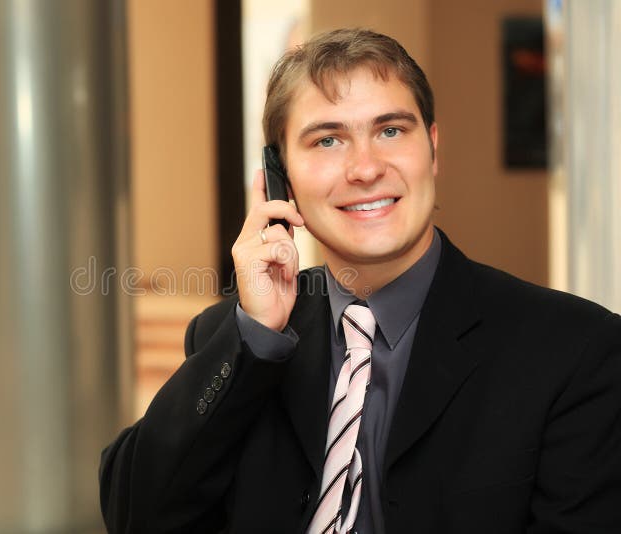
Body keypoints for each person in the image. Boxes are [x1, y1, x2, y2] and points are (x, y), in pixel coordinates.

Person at [99, 28, 621, 534]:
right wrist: (253, 338)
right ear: (279, 177)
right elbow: (136, 515)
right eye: (328, 140)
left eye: (391, 130)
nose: (365, 168)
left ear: (433, 149)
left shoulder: (576, 350)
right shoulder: (232, 338)